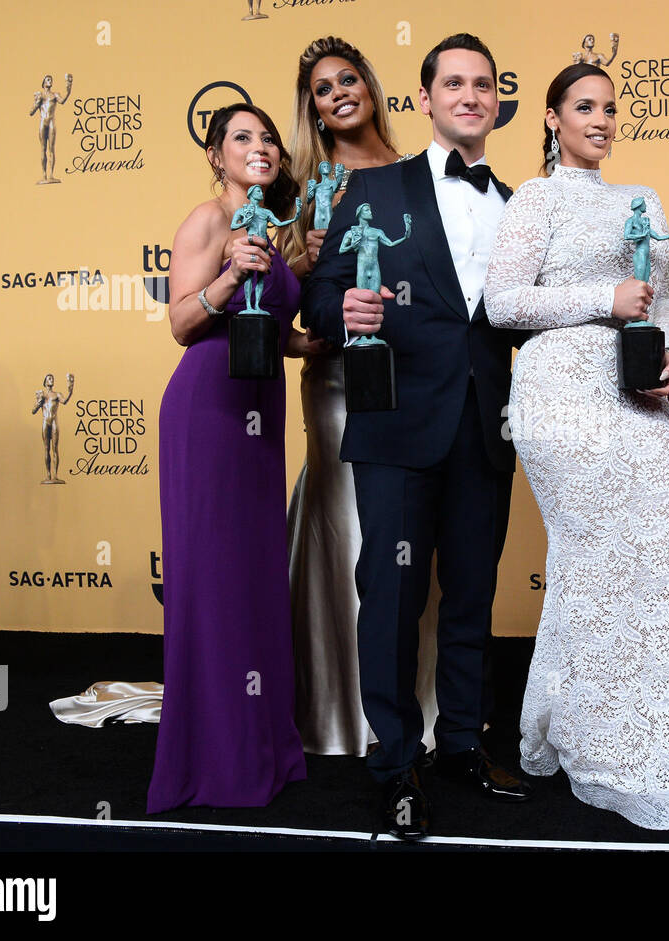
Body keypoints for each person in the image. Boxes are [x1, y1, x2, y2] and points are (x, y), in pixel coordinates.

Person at [484, 64, 669, 829]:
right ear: (551, 118)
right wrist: (600, 299)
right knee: (591, 553)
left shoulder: (642, 199)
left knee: (644, 554)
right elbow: (502, 302)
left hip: (638, 395)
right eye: (585, 107)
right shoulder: (534, 198)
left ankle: (635, 728)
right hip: (559, 396)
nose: (602, 119)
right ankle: (599, 736)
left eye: (611, 108)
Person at [304, 33, 532, 840]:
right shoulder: (374, 188)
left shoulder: (520, 203)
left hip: (487, 423)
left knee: (472, 594)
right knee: (394, 599)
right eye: (454, 84)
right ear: (428, 99)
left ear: (497, 101)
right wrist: (343, 312)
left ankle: (463, 745)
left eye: (485, 84)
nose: (470, 96)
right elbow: (320, 299)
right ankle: (395, 764)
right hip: (397, 420)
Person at [148, 103, 320, 814]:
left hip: (258, 416)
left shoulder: (272, 233)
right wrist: (224, 276)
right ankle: (213, 758)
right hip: (209, 412)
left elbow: (270, 329)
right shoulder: (207, 221)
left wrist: (319, 345)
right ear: (217, 156)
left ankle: (257, 744)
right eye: (241, 137)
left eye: (268, 136)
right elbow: (185, 322)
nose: (261, 146)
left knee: (252, 573)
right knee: (214, 577)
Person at [278, 36, 438, 759]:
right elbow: (280, 297)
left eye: (348, 78)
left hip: (418, 373)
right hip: (341, 381)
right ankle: (336, 710)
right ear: (312, 109)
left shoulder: (418, 173)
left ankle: (417, 709)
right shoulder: (305, 186)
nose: (338, 92)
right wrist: (305, 275)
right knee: (344, 524)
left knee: (410, 537)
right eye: (321, 88)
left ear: (371, 86)